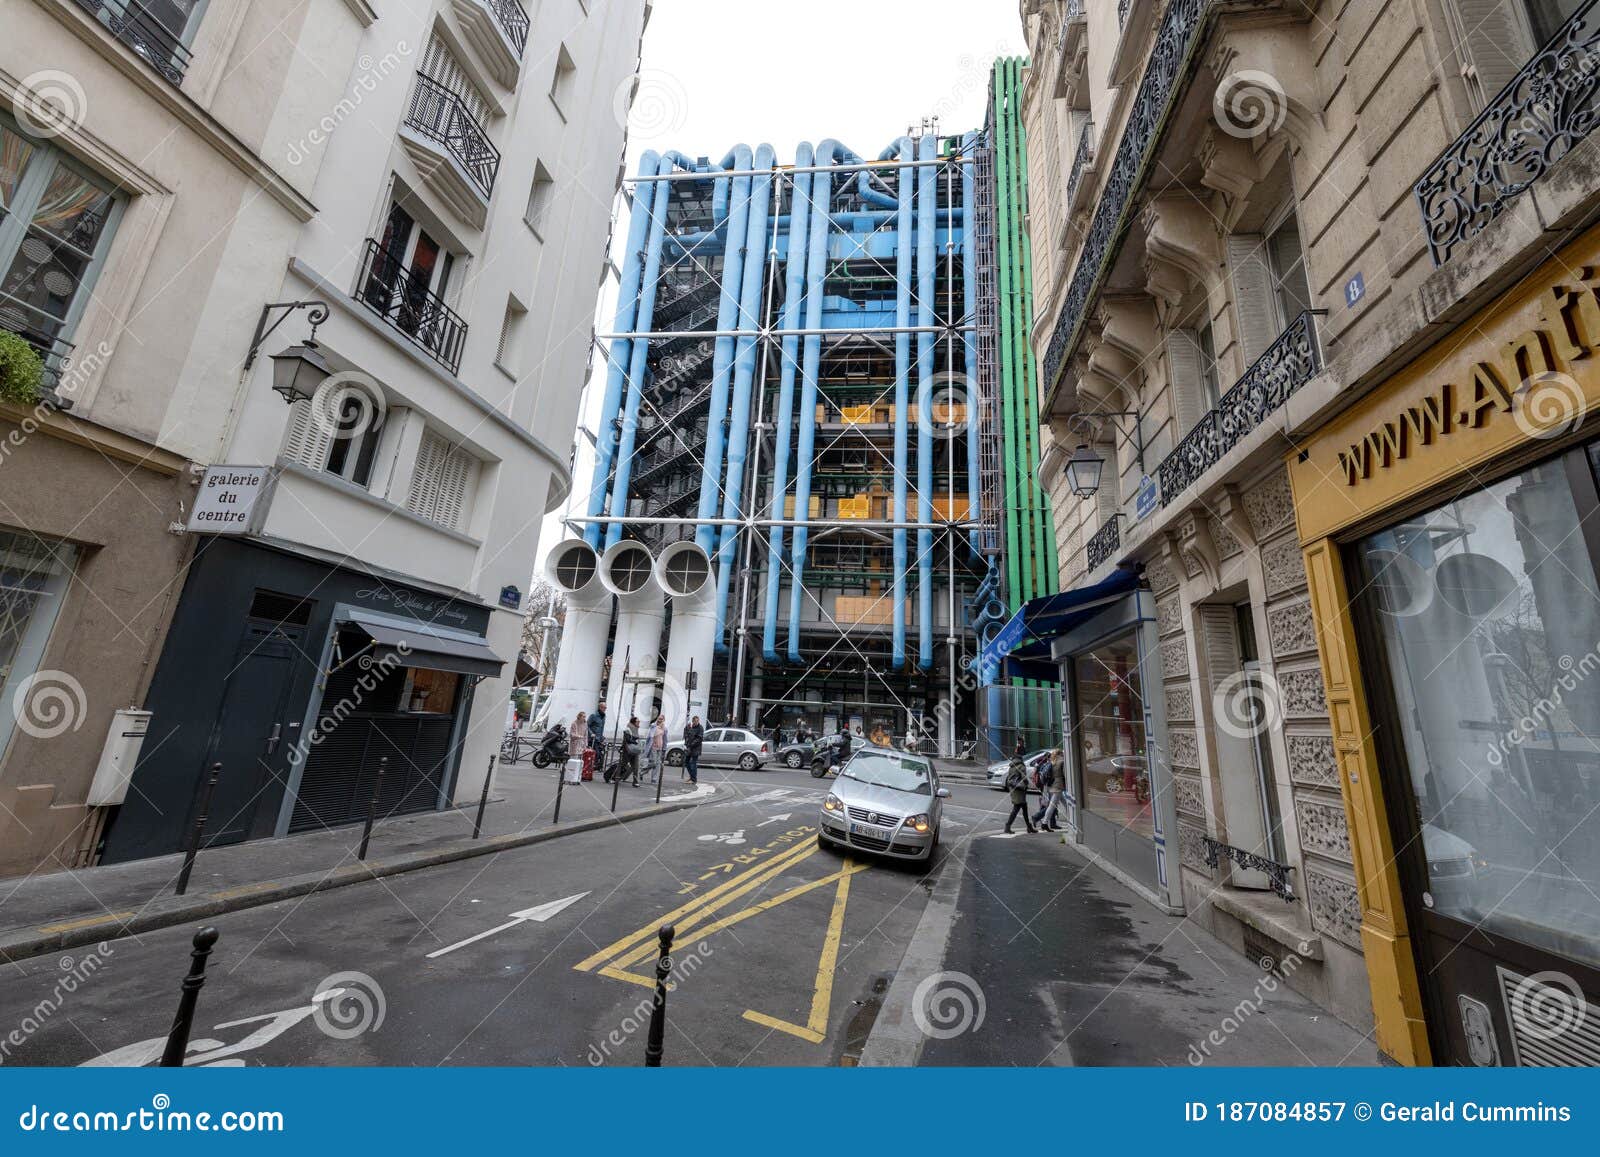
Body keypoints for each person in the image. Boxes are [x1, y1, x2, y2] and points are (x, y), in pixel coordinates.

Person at [1003, 750, 1036, 834]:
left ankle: (1029, 826)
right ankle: (1008, 826)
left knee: (1024, 807)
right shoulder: (1021, 766)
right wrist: (1027, 784)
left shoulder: (1012, 766)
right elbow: (1024, 778)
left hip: (1013, 788)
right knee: (1017, 808)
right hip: (1020, 789)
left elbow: (1010, 778)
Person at [1032, 749, 1064, 832]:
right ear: (1060, 754)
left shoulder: (1051, 762)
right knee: (1052, 806)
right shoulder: (1061, 762)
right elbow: (1064, 774)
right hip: (1058, 786)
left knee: (1065, 803)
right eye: (1062, 753)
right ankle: (1044, 823)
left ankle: (1072, 820)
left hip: (1051, 786)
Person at [645, 712, 667, 784]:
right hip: (653, 747)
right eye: (659, 719)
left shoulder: (665, 729)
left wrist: (664, 749)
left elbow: (665, 739)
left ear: (663, 720)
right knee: (653, 763)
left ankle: (654, 779)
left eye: (661, 719)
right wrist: (646, 746)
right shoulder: (653, 726)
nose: (659, 720)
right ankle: (642, 771)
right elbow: (649, 737)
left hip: (660, 748)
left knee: (657, 764)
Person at [683, 714, 704, 785]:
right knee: (686, 762)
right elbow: (686, 734)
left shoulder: (700, 728)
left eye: (697, 721)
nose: (696, 722)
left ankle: (694, 779)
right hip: (689, 748)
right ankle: (691, 776)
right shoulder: (690, 727)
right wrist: (686, 742)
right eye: (695, 721)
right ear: (693, 721)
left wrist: (691, 744)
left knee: (693, 763)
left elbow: (699, 738)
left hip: (696, 749)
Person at [621, 716, 642, 785]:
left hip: (635, 750)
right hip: (627, 750)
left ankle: (635, 781)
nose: (639, 723)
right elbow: (627, 739)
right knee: (623, 764)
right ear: (634, 722)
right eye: (638, 721)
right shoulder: (628, 728)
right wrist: (634, 741)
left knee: (635, 766)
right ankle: (615, 777)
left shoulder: (636, 729)